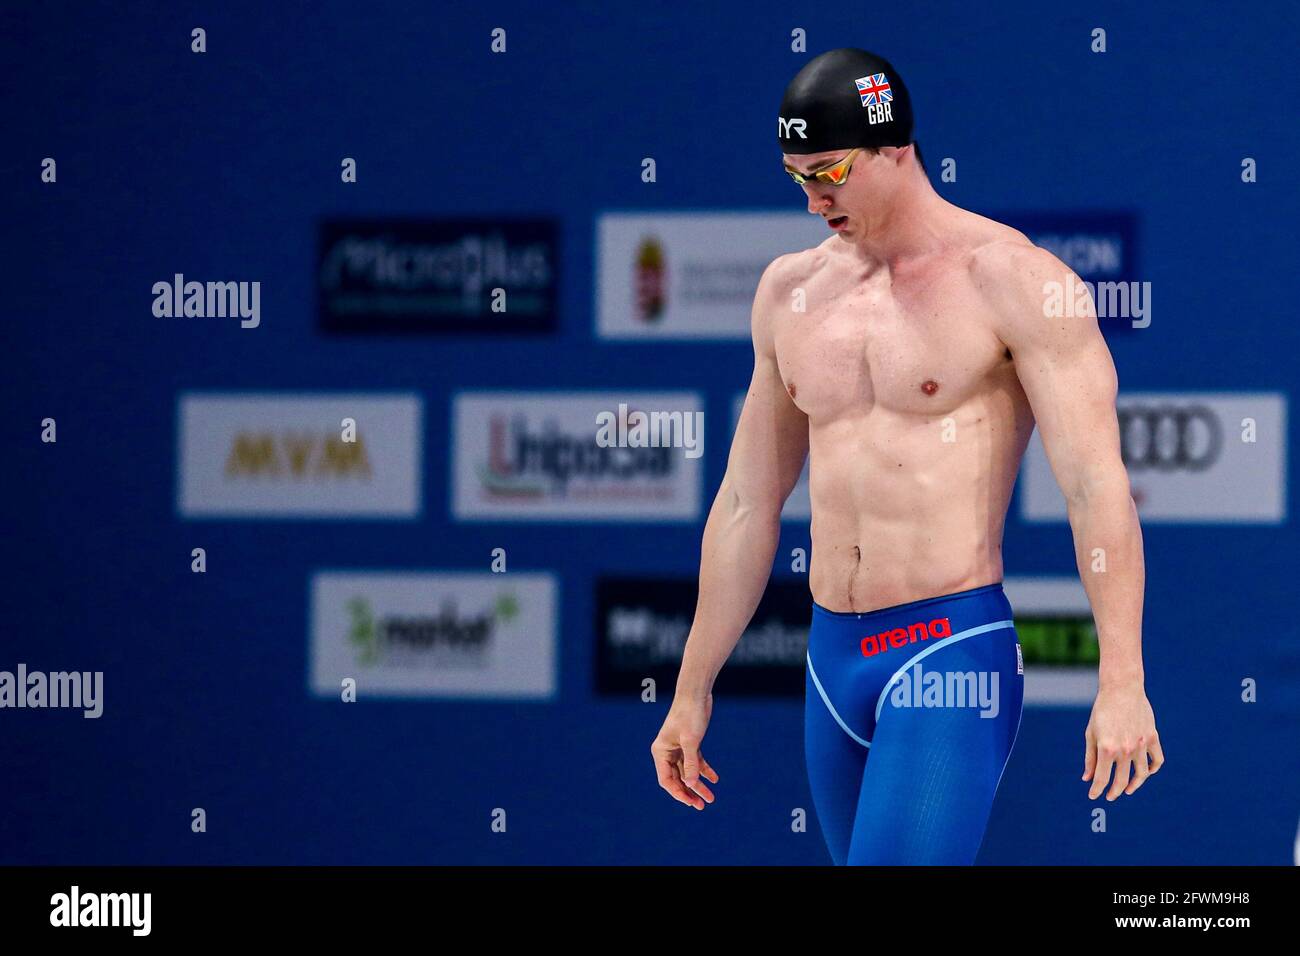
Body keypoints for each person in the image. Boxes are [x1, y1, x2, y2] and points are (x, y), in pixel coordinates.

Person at [649, 47, 1164, 864]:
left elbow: (1097, 488)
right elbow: (748, 503)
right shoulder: (789, 291)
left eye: (831, 171)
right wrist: (690, 687)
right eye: (797, 177)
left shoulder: (1012, 280)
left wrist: (1123, 677)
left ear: (895, 147)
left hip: (947, 651)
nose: (815, 198)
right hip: (829, 661)